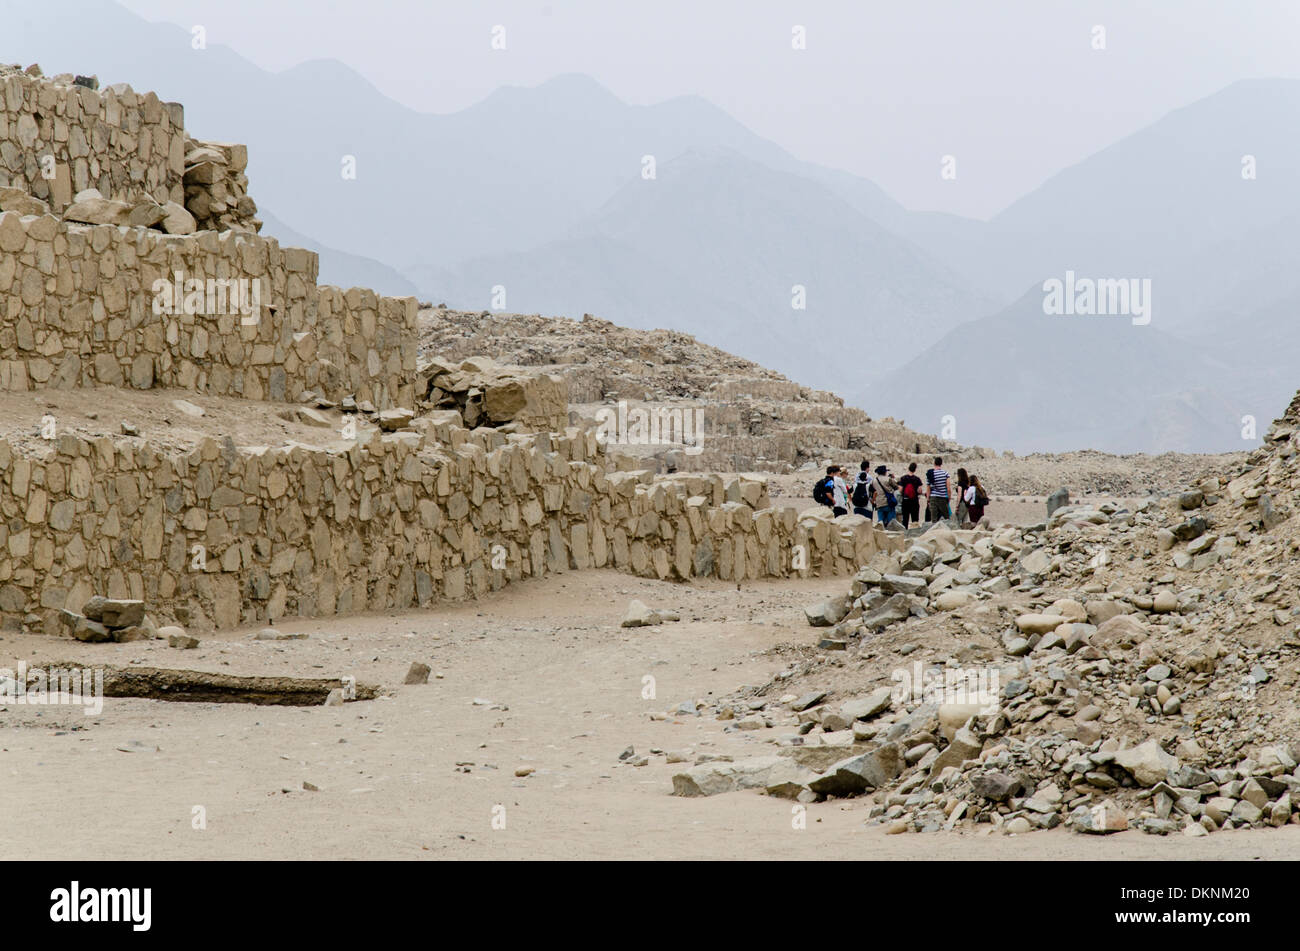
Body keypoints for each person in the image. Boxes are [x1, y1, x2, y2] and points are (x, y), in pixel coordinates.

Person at [925, 456, 951, 522]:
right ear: (941, 463)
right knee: (946, 518)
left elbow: (928, 488)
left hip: (933, 497)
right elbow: (948, 488)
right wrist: (949, 497)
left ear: (934, 463)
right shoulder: (945, 473)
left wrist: (928, 499)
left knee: (934, 519)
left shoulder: (930, 473)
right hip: (943, 497)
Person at [898, 462, 923, 528]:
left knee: (905, 520)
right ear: (915, 470)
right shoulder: (917, 479)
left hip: (905, 501)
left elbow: (900, 490)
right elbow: (920, 491)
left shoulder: (903, 478)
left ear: (908, 468)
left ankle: (904, 534)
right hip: (914, 501)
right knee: (915, 520)